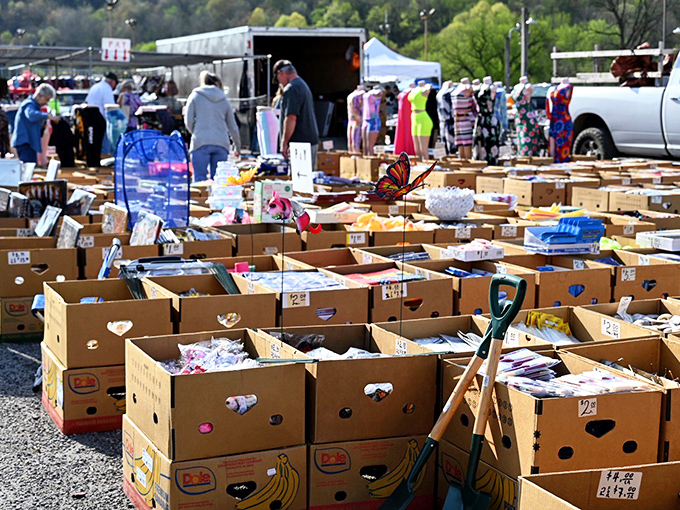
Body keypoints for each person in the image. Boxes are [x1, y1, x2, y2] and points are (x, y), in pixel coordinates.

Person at [184, 70, 241, 181]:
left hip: (200, 141)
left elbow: (188, 121)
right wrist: (237, 146)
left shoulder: (195, 96)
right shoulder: (224, 99)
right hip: (221, 143)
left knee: (199, 180)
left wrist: (196, 132)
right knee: (218, 181)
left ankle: (201, 198)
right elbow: (233, 126)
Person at [272, 59, 319, 161]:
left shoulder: (291, 89)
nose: (279, 82)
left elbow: (291, 118)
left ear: (281, 73)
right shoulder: (302, 84)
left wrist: (284, 143)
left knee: (299, 176)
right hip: (309, 141)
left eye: (277, 78)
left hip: (300, 144)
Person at [11, 83, 60, 163]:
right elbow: (31, 115)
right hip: (25, 142)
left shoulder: (32, 105)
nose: (46, 103)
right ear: (39, 95)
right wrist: (48, 116)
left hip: (27, 143)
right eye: (46, 99)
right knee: (27, 169)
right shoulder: (29, 104)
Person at [86, 72, 117, 154]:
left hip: (91, 118)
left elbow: (87, 101)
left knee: (94, 143)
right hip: (101, 119)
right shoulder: (107, 89)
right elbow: (110, 107)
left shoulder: (95, 87)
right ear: (113, 82)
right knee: (104, 145)